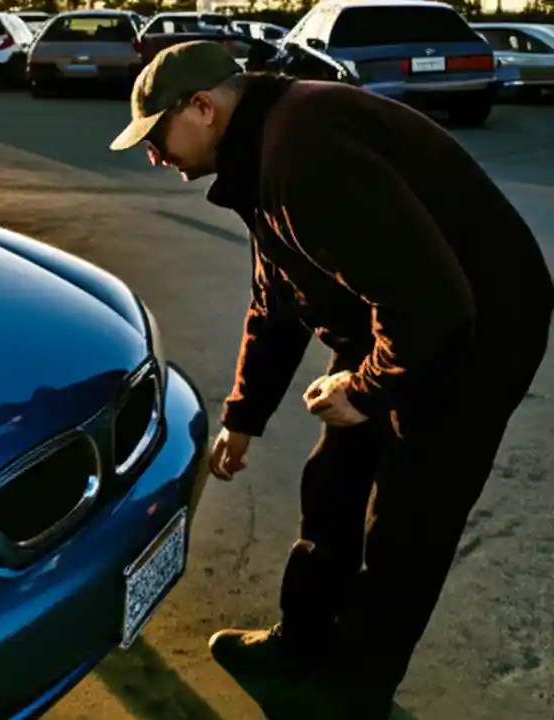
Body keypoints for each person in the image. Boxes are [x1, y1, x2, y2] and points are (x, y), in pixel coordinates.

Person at [109, 41, 554, 717]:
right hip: (398, 317)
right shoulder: (261, 149)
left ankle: (355, 691)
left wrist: (365, 390)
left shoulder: (304, 152)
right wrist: (244, 416)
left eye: (155, 135)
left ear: (201, 107)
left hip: (477, 331)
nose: (152, 154)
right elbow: (276, 298)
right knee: (335, 482)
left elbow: (435, 307)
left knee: (407, 521)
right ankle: (301, 642)